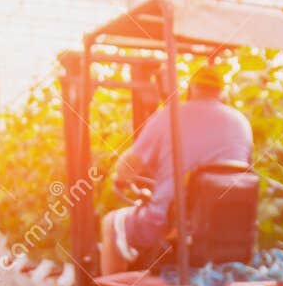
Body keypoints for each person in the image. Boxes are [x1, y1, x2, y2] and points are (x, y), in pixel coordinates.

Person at [99, 61, 252, 274]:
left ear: (191, 89)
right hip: (227, 226)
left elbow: (129, 165)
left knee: (111, 224)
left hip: (172, 224)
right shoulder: (241, 123)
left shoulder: (169, 116)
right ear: (221, 92)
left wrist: (120, 177)